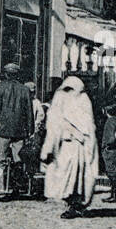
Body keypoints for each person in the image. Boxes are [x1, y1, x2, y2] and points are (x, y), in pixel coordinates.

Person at [41, 74, 99, 218]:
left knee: (78, 177)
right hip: (64, 146)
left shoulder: (83, 101)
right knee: (64, 175)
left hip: (79, 147)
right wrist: (49, 147)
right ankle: (72, 203)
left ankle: (76, 205)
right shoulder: (60, 101)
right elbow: (54, 126)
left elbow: (89, 127)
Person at [0, 61, 35, 193]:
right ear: (17, 75)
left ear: (6, 74)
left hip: (3, 130)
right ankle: (17, 186)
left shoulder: (1, 88)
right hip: (20, 130)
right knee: (18, 158)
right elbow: (29, 112)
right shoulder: (25, 89)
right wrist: (30, 130)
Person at [101, 99, 116, 202]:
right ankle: (115, 195)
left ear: (105, 111)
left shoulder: (110, 121)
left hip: (111, 150)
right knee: (114, 173)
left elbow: (111, 137)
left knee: (113, 174)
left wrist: (107, 146)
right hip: (115, 150)